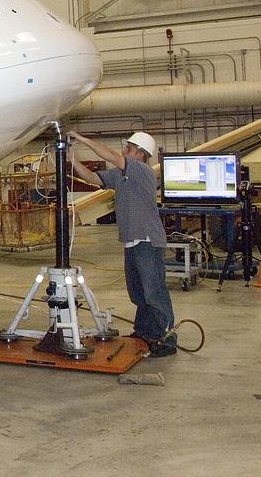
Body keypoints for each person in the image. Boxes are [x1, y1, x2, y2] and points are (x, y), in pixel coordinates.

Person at [67, 130, 177, 357]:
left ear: (140, 153)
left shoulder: (142, 170)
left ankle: (167, 339)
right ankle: (144, 331)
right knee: (138, 293)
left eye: (128, 148)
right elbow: (92, 179)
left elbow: (111, 156)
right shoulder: (121, 175)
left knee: (153, 292)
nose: (124, 151)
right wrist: (72, 159)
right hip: (132, 241)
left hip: (147, 240)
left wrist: (83, 139)